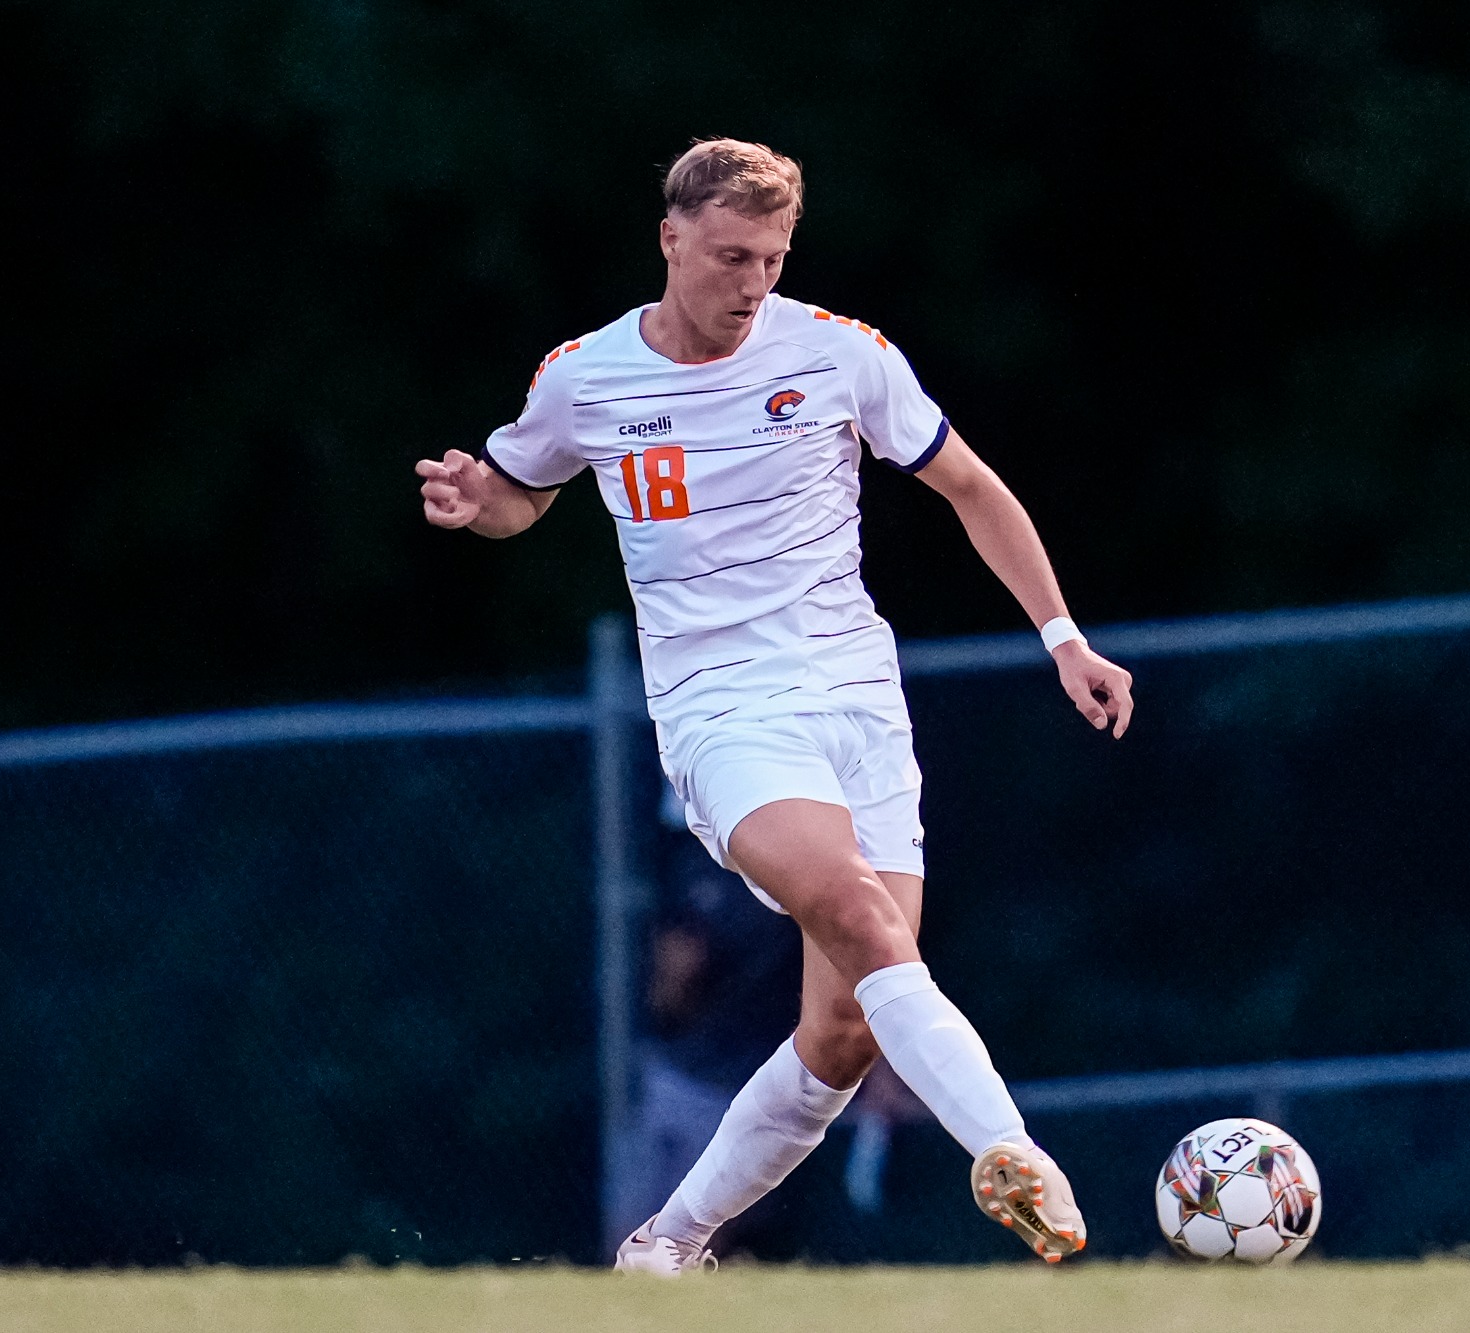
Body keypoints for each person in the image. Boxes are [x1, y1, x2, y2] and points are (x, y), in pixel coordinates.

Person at [415, 138, 1135, 1273]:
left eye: (772, 259)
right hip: (722, 712)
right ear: (670, 240)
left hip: (859, 702)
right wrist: (477, 500)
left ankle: (666, 1244)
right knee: (855, 912)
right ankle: (1008, 1149)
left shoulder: (839, 355)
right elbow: (521, 491)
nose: (751, 283)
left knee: (841, 1032)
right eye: (728, 256)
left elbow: (969, 485)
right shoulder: (586, 376)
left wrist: (1062, 638)